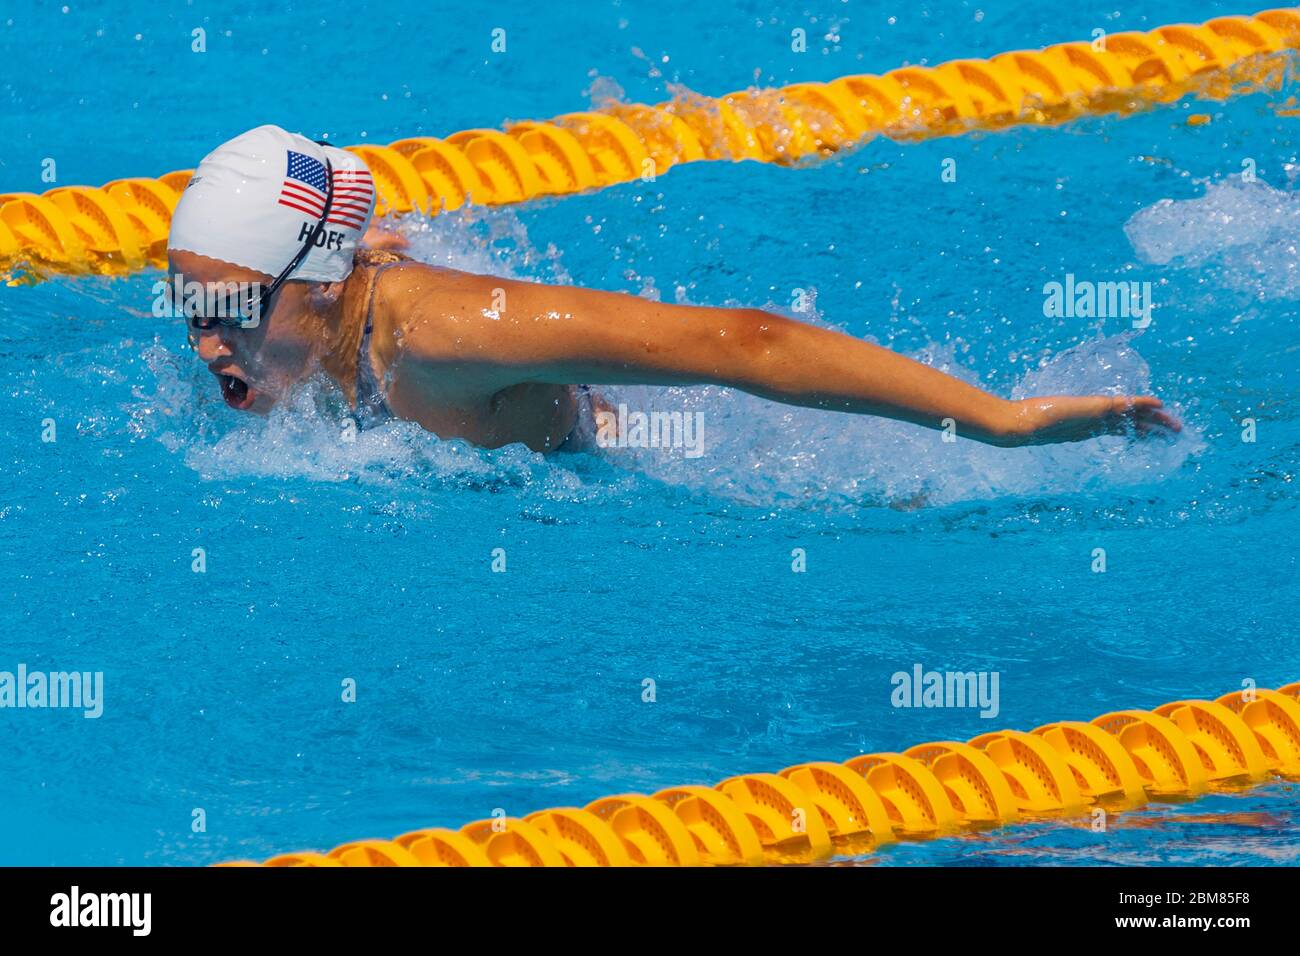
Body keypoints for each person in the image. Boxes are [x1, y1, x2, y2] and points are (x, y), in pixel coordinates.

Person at [167, 125, 1179, 453]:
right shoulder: (314, 328)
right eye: (188, 308)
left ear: (319, 282)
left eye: (232, 309)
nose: (208, 341)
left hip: (700, 465)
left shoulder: (443, 336)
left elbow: (746, 344)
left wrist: (1001, 420)